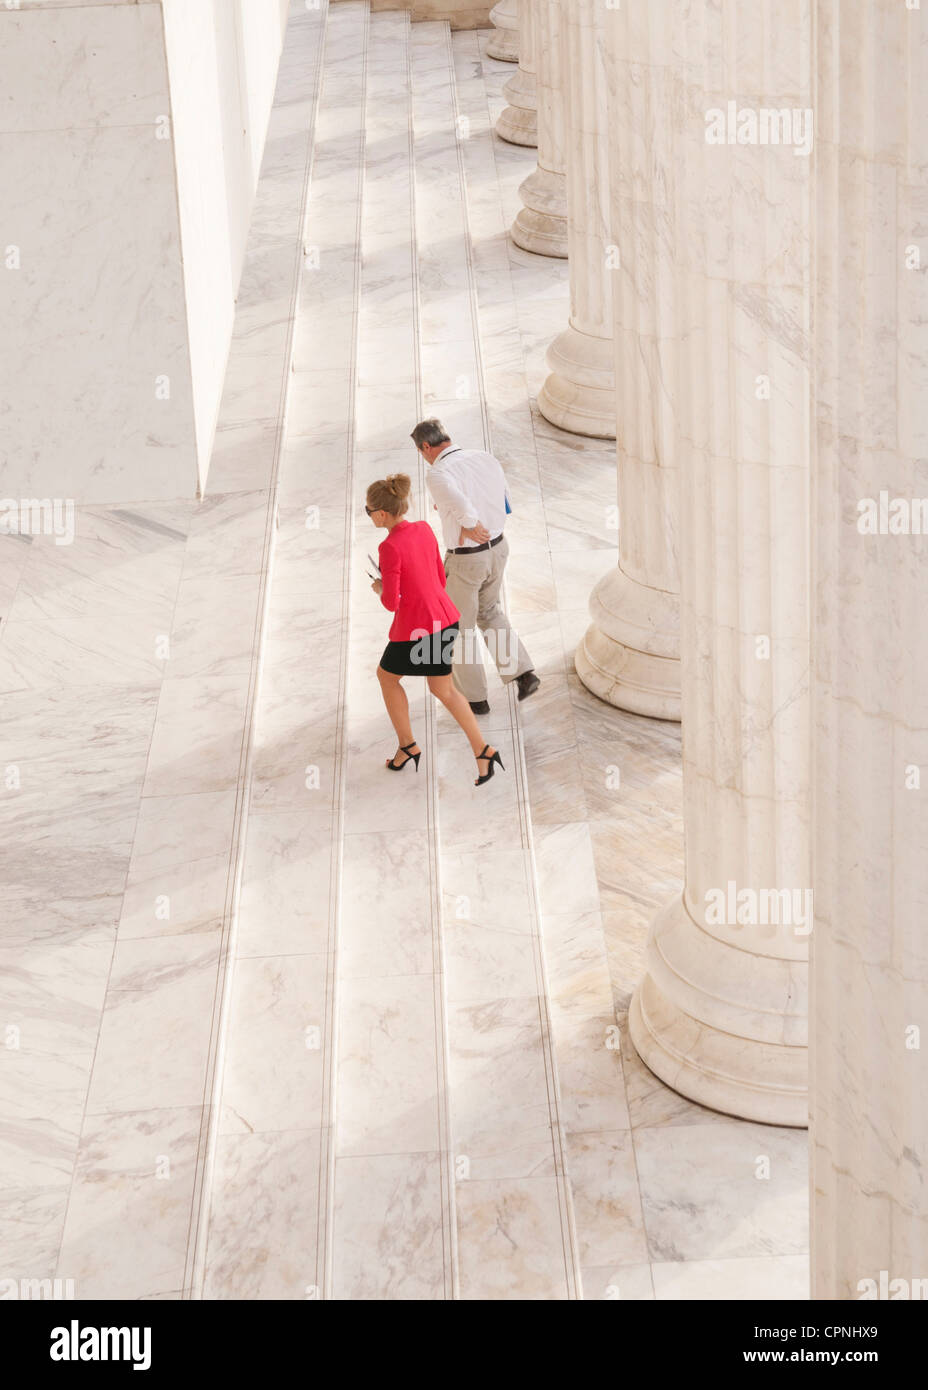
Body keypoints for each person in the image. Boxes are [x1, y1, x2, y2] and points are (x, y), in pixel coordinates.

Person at [367, 473, 504, 787]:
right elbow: (439, 579)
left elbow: (391, 602)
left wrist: (379, 587)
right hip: (444, 618)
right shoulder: (424, 528)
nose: (369, 515)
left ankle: (410, 746)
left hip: (420, 629)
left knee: (389, 678)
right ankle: (479, 751)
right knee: (442, 690)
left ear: (382, 514)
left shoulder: (388, 547)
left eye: (368, 510)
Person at [411, 418, 540, 716]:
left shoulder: (438, 472)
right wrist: (466, 517)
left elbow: (460, 503)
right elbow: (504, 500)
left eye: (422, 452)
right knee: (490, 611)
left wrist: (469, 524)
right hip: (499, 548)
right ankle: (524, 674)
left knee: (459, 627)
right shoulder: (484, 457)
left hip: (468, 559)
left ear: (426, 447)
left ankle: (475, 699)